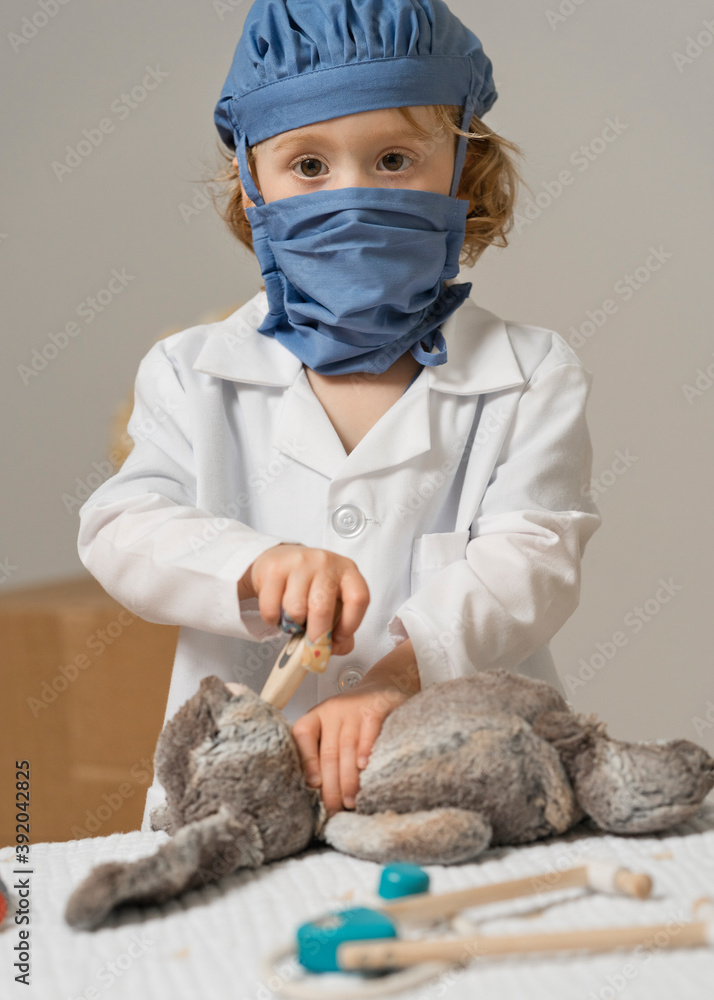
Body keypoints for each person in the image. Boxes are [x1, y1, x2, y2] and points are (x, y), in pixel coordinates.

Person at [77, 0, 601, 832]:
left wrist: (396, 678)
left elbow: (531, 563)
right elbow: (119, 526)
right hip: (241, 811)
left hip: (465, 793)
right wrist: (253, 566)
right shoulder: (191, 370)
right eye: (308, 166)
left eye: (394, 157)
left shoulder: (531, 372)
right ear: (251, 188)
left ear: (464, 169)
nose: (351, 199)